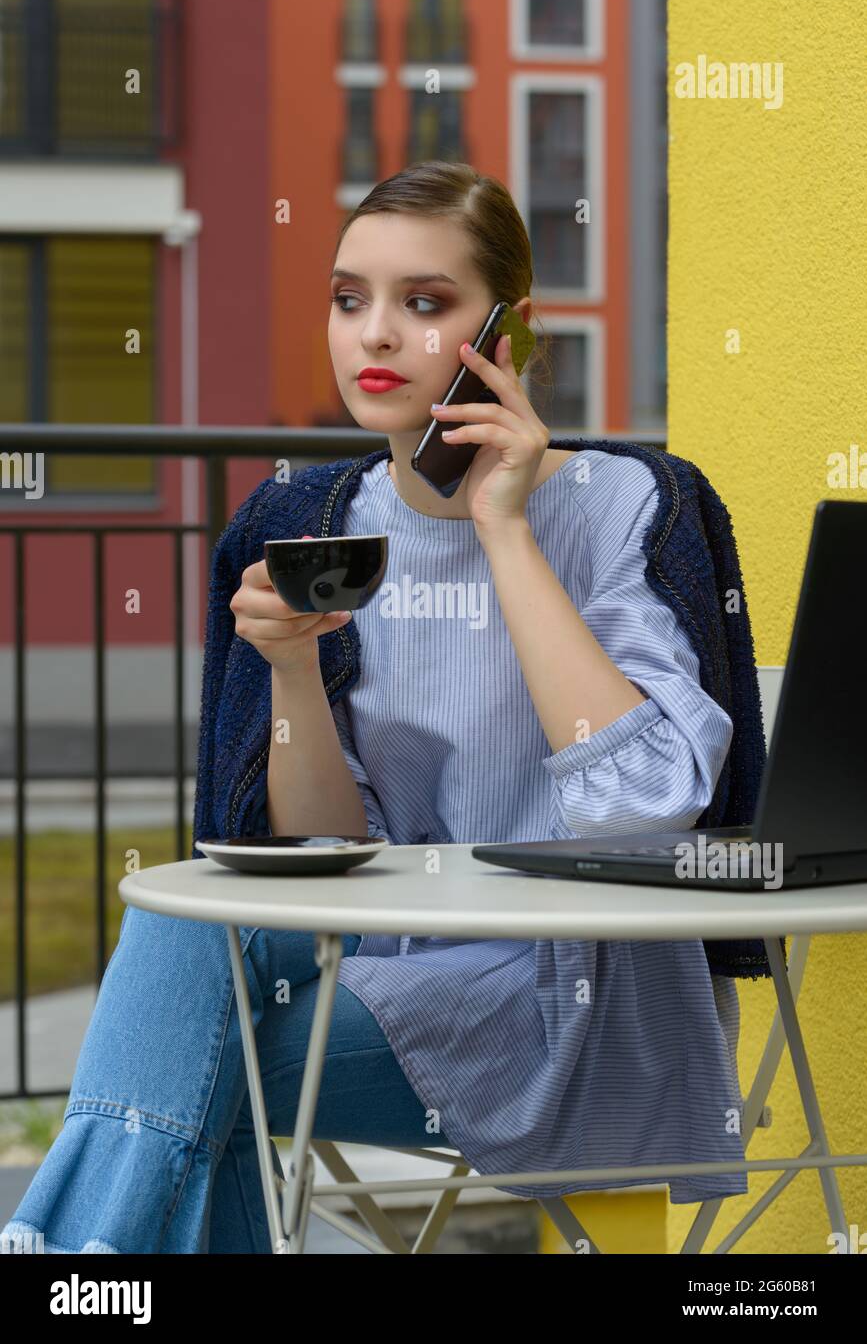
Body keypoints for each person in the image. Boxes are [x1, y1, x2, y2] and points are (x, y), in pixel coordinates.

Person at [2, 161, 748, 1255]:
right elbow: (319, 856)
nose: (375, 334)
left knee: (190, 1061)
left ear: (506, 332)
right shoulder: (316, 519)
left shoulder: (626, 502)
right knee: (187, 928)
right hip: (383, 957)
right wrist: (292, 669)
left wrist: (503, 527)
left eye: (425, 301)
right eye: (349, 299)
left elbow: (643, 802)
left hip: (572, 995)